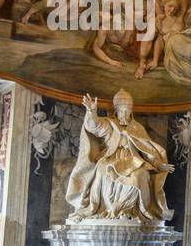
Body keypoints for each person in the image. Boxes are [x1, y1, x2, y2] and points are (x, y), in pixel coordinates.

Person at [66, 89, 175, 224]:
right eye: (121, 110)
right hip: (111, 159)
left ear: (131, 111)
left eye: (127, 110)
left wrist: (159, 164)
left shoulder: (137, 128)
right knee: (102, 170)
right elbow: (94, 126)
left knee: (140, 175)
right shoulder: (109, 124)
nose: (124, 113)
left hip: (134, 161)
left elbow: (148, 150)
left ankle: (128, 210)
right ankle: (105, 209)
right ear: (116, 111)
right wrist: (91, 112)